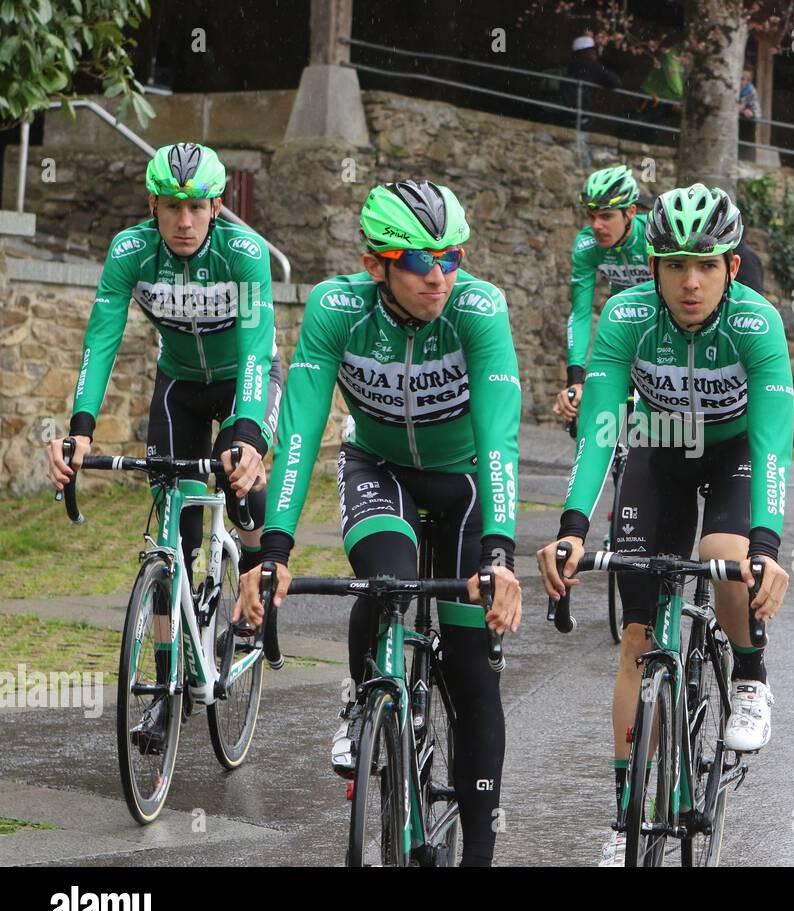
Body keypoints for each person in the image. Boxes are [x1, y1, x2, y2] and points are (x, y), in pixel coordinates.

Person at [236, 180, 523, 867]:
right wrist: (274, 549)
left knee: (471, 672)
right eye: (421, 261)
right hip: (378, 471)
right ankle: (365, 699)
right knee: (385, 583)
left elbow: (499, 436)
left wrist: (500, 553)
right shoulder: (337, 309)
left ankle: (479, 852)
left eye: (452, 257)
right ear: (376, 265)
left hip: (464, 485)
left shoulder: (478, 310)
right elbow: (302, 430)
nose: (440, 275)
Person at [535, 183, 794, 866]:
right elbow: (599, 429)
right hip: (659, 447)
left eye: (706, 265)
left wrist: (766, 545)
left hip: (735, 451)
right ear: (652, 267)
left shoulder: (757, 323)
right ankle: (625, 817)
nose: (690, 281)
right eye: (675, 264)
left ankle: (749, 676)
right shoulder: (624, 317)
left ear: (731, 268)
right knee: (637, 638)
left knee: (722, 551)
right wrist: (571, 527)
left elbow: (772, 444)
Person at [46, 143, 281, 754]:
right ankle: (163, 687)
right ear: (152, 203)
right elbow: (102, 338)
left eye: (197, 207)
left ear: (216, 206)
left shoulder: (245, 253)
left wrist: (251, 436)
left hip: (243, 383)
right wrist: (80, 429)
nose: (184, 221)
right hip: (178, 382)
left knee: (242, 488)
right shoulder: (130, 250)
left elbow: (257, 347)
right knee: (171, 533)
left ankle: (256, 597)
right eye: (172, 206)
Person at [553, 165, 650, 426]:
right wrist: (575, 378)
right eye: (592, 215)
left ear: (630, 212)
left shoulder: (652, 238)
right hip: (624, 324)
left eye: (606, 216)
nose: (597, 225)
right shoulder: (587, 246)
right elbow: (581, 313)